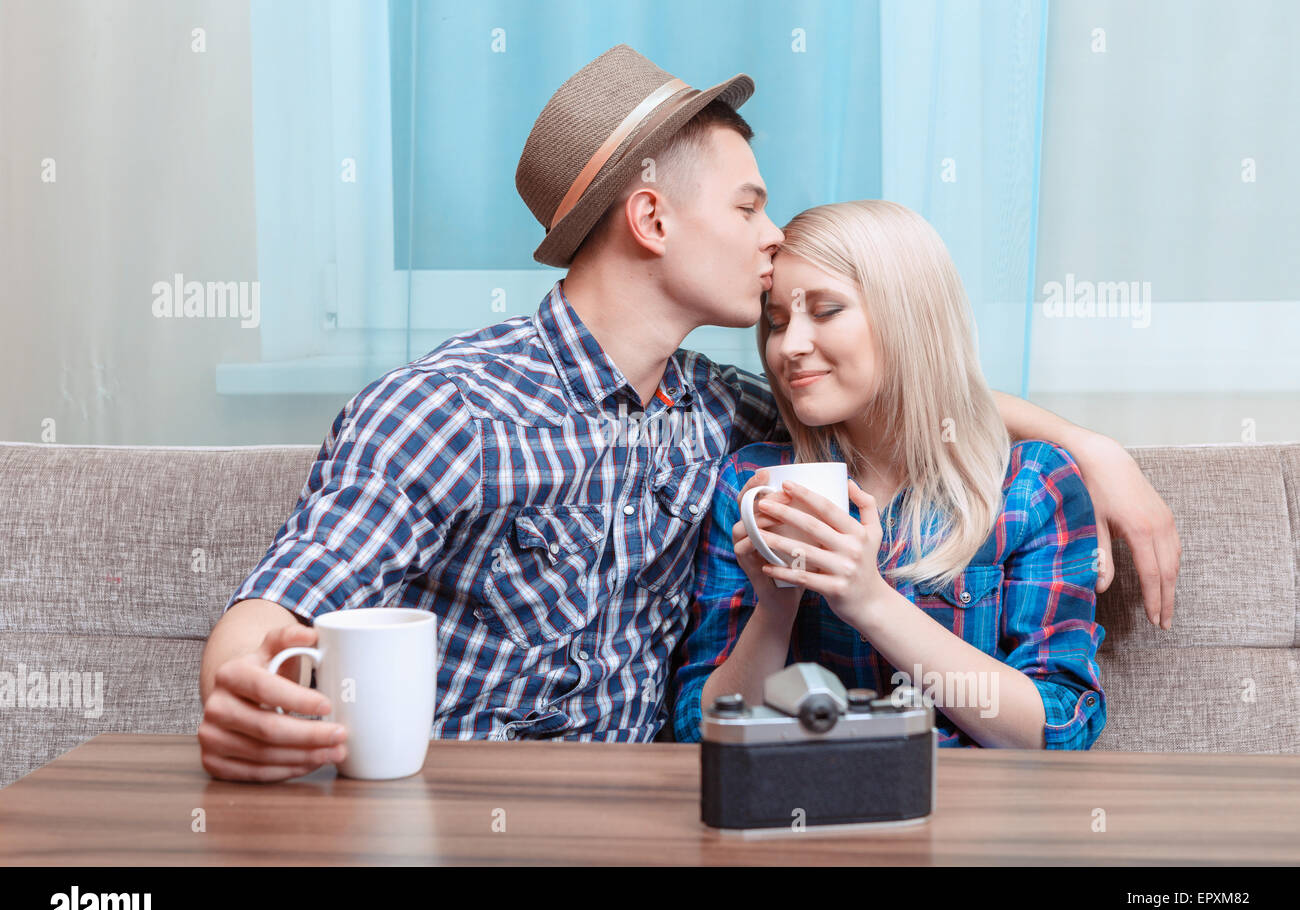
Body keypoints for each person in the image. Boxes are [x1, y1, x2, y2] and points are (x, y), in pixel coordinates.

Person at [198, 45, 1179, 781]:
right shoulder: (447, 407)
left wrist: (1089, 446)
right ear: (654, 220)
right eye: (749, 208)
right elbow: (283, 599)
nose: (772, 239)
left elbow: (893, 389)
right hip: (461, 813)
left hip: (648, 824)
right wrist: (239, 682)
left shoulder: (723, 414)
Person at [671, 200, 1121, 748]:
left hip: (965, 818)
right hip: (804, 815)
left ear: (909, 316)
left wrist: (868, 600)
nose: (789, 347)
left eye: (827, 310)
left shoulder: (1030, 487)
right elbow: (702, 734)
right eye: (777, 322)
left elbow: (1057, 729)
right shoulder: (753, 479)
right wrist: (776, 606)